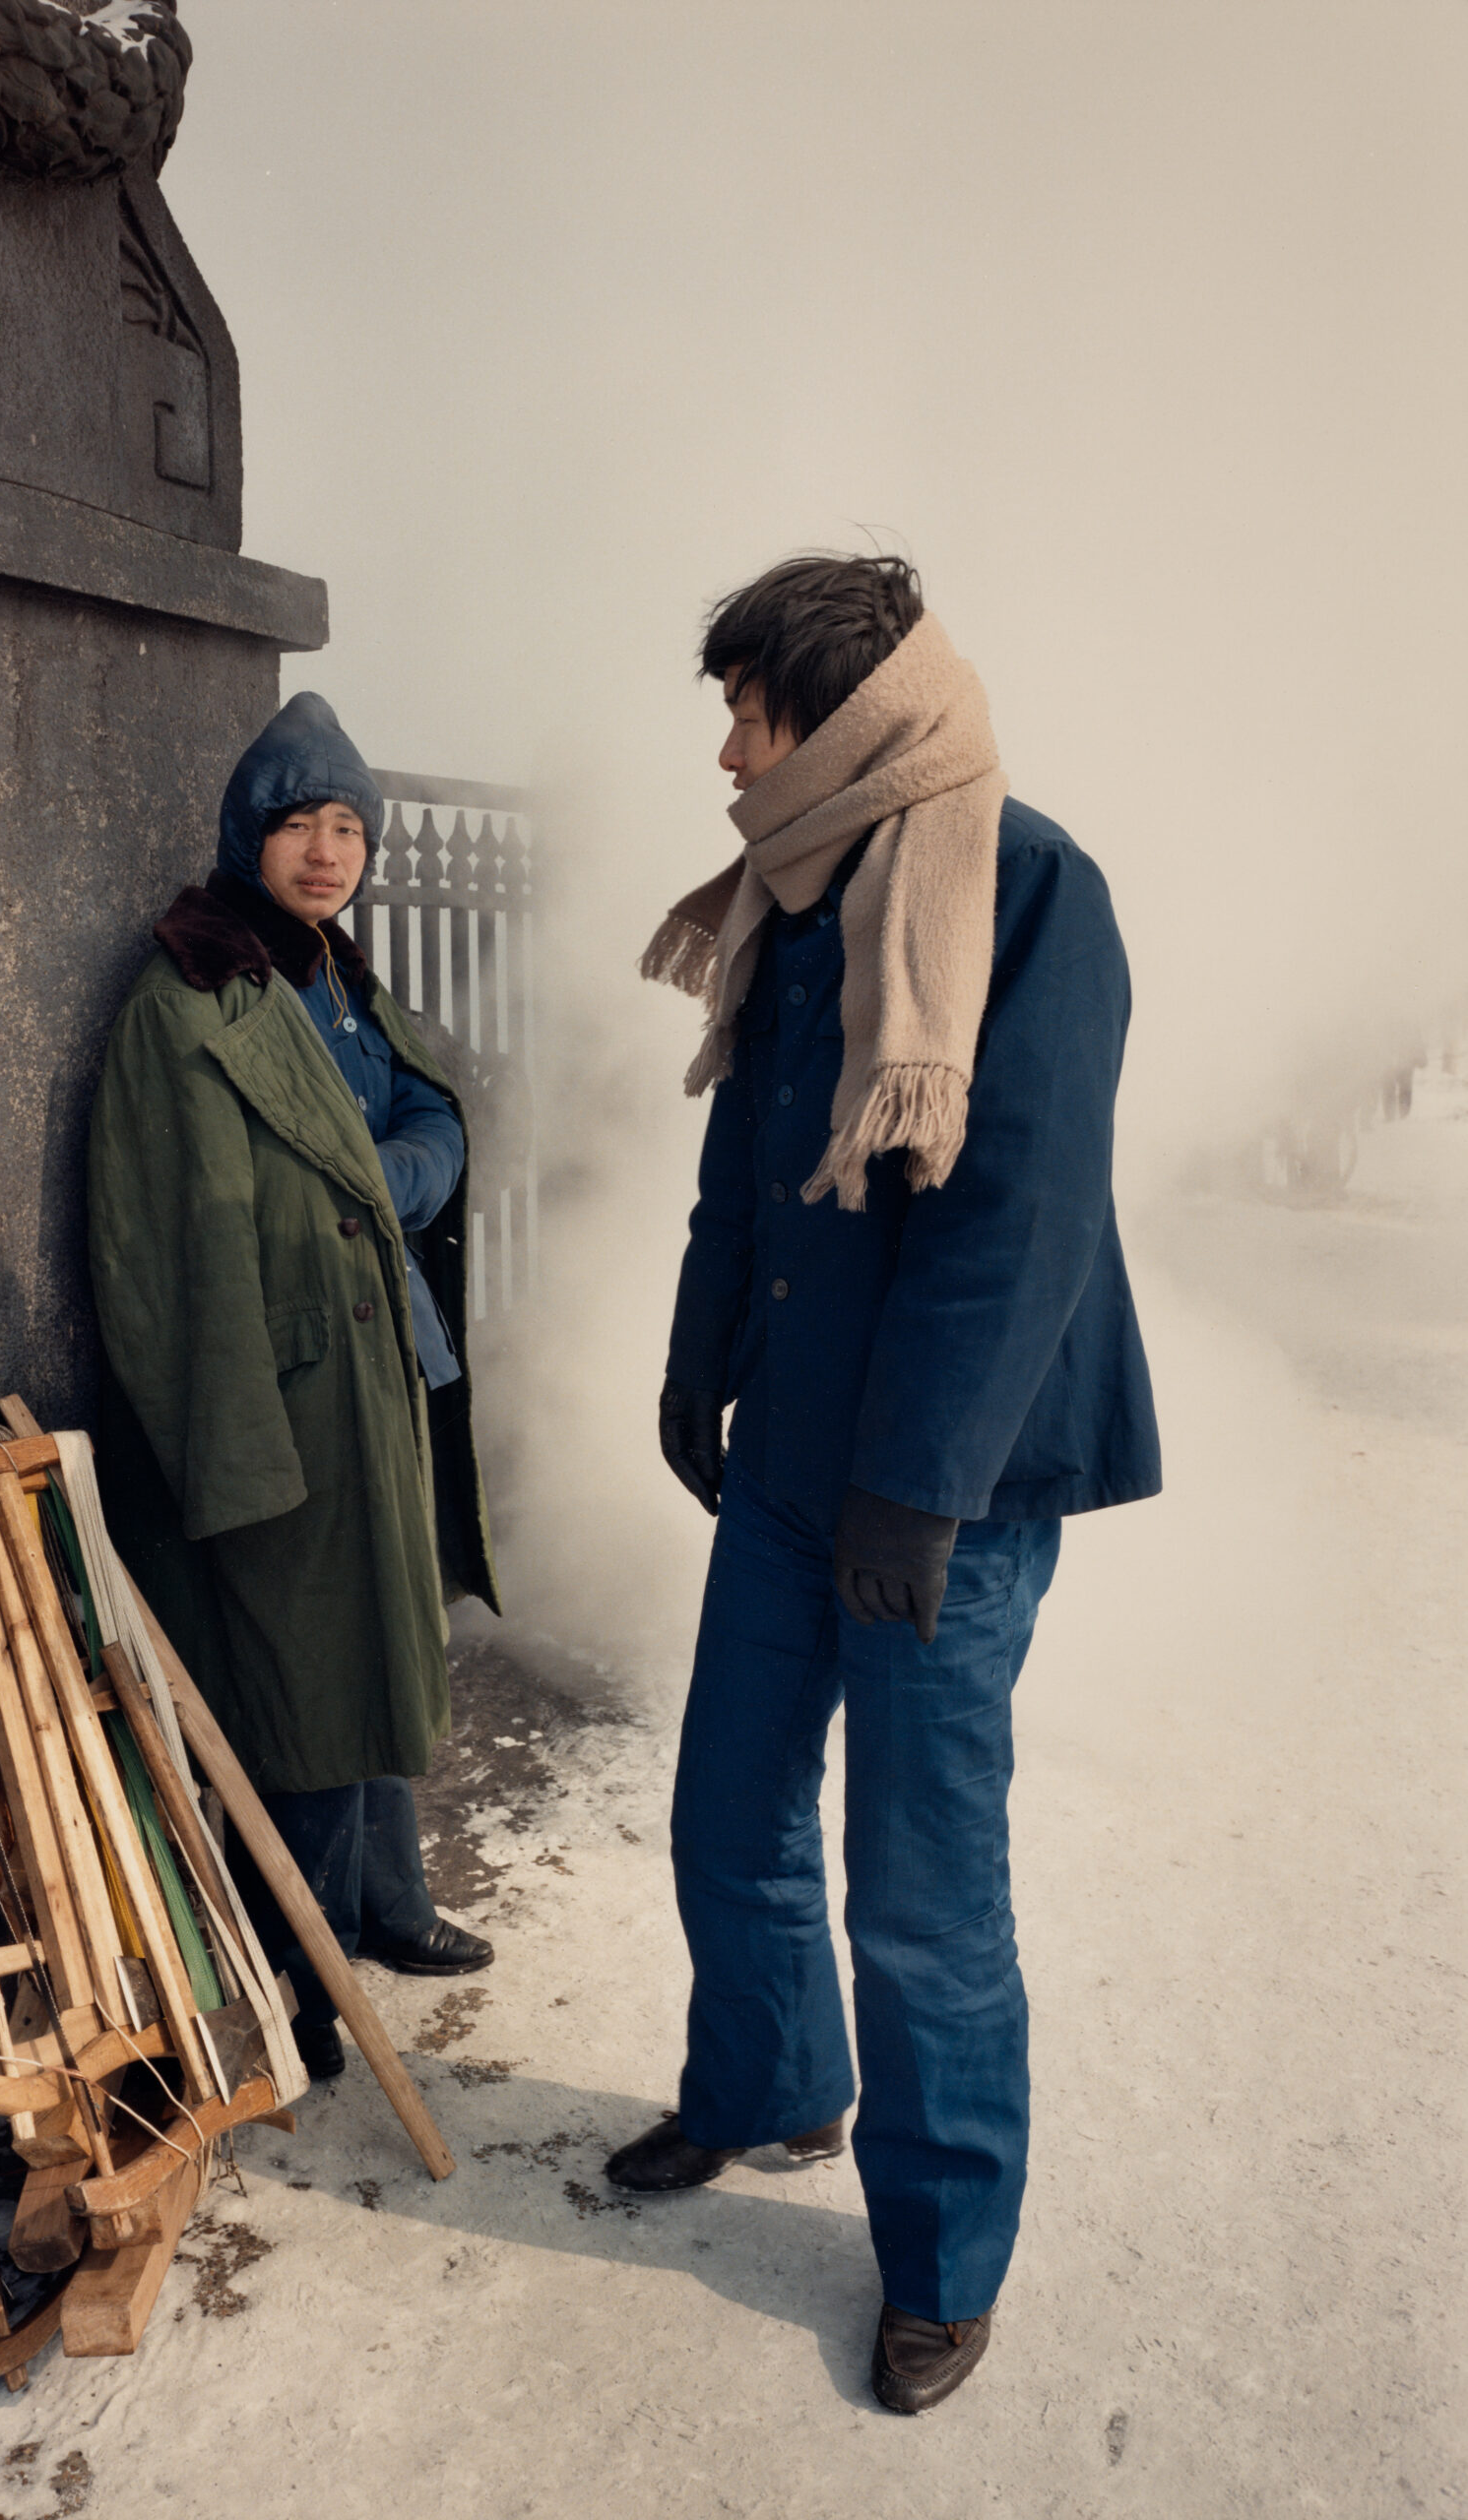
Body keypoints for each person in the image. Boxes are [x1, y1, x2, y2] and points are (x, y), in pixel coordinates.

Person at [615, 554, 1160, 2414]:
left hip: (951, 1486)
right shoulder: (798, 889)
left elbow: (1018, 1224)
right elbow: (744, 1178)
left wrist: (915, 1493)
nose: (726, 751)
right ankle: (773, 2090)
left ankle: (940, 2258)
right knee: (727, 1804)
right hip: (791, 1458)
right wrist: (702, 1367)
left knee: (918, 1891)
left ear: (836, 719)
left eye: (750, 712)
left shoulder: (1018, 887)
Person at [88, 692, 500, 2085]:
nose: (327, 852)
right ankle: (300, 1968)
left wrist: (391, 1181)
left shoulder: (335, 973)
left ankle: (387, 1906)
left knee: (382, 1648)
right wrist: (229, 1443)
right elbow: (165, 1245)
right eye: (297, 824)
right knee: (309, 1684)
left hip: (380, 1360)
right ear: (245, 836)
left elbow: (433, 1110)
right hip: (286, 1385)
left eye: (347, 827)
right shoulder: (191, 995)